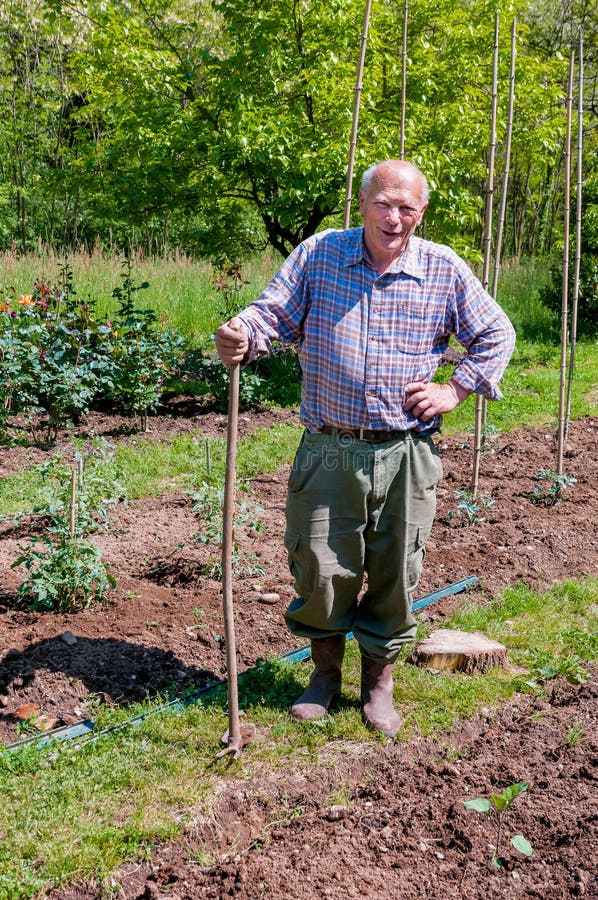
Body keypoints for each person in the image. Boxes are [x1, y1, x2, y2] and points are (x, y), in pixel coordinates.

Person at [215, 159, 515, 737]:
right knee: (323, 568)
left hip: (406, 452)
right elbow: (272, 312)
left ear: (420, 213)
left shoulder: (442, 268)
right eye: (384, 203)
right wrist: (243, 334)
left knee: (397, 568)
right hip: (330, 446)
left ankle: (379, 682)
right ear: (363, 203)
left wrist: (454, 388)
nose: (395, 217)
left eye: (407, 207)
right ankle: (324, 676)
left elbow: (496, 332)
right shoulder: (320, 254)